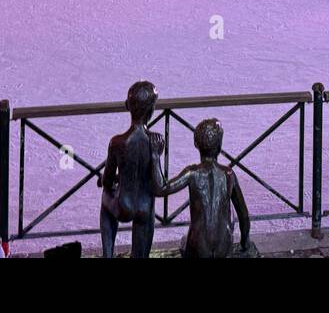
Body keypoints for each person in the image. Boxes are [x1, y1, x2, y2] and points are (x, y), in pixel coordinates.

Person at [156, 119, 254, 258]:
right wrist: (245, 243)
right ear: (220, 146)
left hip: (198, 247)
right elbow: (244, 216)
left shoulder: (192, 173)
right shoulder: (228, 174)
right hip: (223, 247)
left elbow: (161, 189)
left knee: (184, 241)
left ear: (196, 144)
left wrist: (155, 156)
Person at [100, 81, 166, 259]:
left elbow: (107, 181)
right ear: (152, 110)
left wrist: (109, 181)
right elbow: (158, 182)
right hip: (145, 208)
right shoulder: (156, 141)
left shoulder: (117, 142)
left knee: (106, 198)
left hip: (123, 205)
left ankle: (108, 254)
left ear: (127, 106)